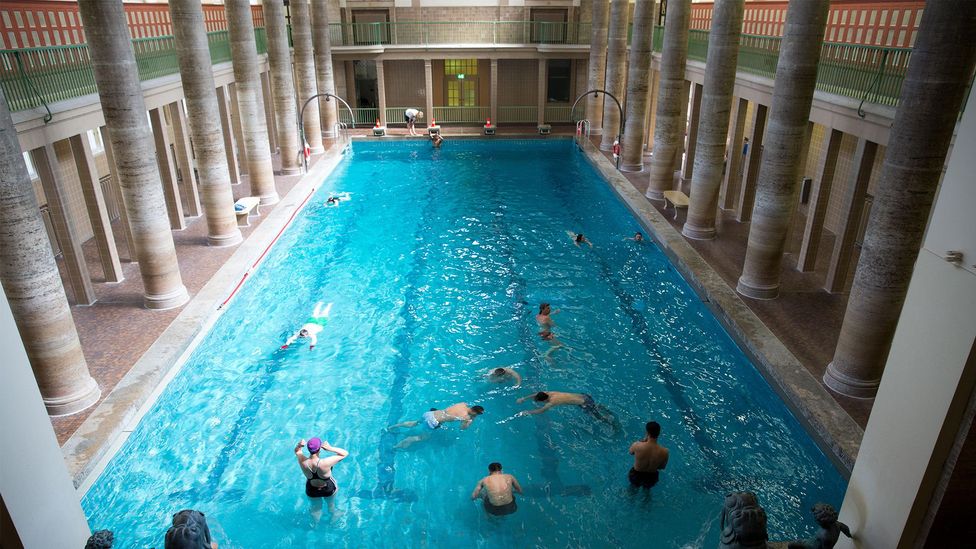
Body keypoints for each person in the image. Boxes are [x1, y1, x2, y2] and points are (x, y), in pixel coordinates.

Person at [388, 402, 484, 448]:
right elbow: (462, 428)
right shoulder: (467, 417)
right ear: (475, 413)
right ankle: (396, 447)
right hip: (433, 421)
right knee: (422, 438)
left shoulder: (462, 404)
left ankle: (392, 427)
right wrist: (470, 420)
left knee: (415, 422)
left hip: (430, 413)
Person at [516, 391, 617, 428]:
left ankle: (611, 424)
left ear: (545, 400)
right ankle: (608, 410)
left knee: (598, 417)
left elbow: (540, 411)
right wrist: (523, 398)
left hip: (585, 404)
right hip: (585, 396)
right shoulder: (550, 393)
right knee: (597, 406)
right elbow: (537, 393)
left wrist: (526, 412)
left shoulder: (552, 402)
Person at [628, 421, 669, 489]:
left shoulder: (637, 445)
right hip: (651, 477)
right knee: (647, 491)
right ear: (659, 433)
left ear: (647, 432)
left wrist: (643, 441)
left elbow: (631, 452)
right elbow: (662, 467)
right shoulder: (665, 452)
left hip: (636, 474)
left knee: (632, 489)